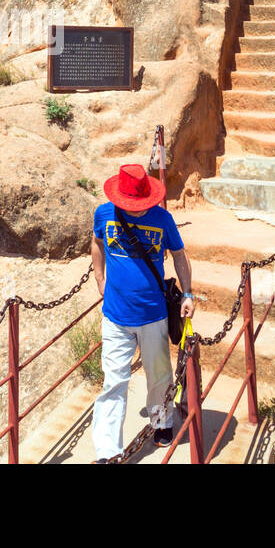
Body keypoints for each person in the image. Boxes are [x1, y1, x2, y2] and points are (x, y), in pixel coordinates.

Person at [90, 163, 194, 461]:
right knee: (113, 382)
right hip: (115, 316)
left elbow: (179, 255)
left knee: (159, 375)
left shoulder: (163, 219)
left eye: (139, 205)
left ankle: (162, 422)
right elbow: (97, 242)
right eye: (129, 205)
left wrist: (187, 293)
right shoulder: (104, 214)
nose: (135, 210)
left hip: (153, 314)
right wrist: (99, 278)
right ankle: (108, 451)